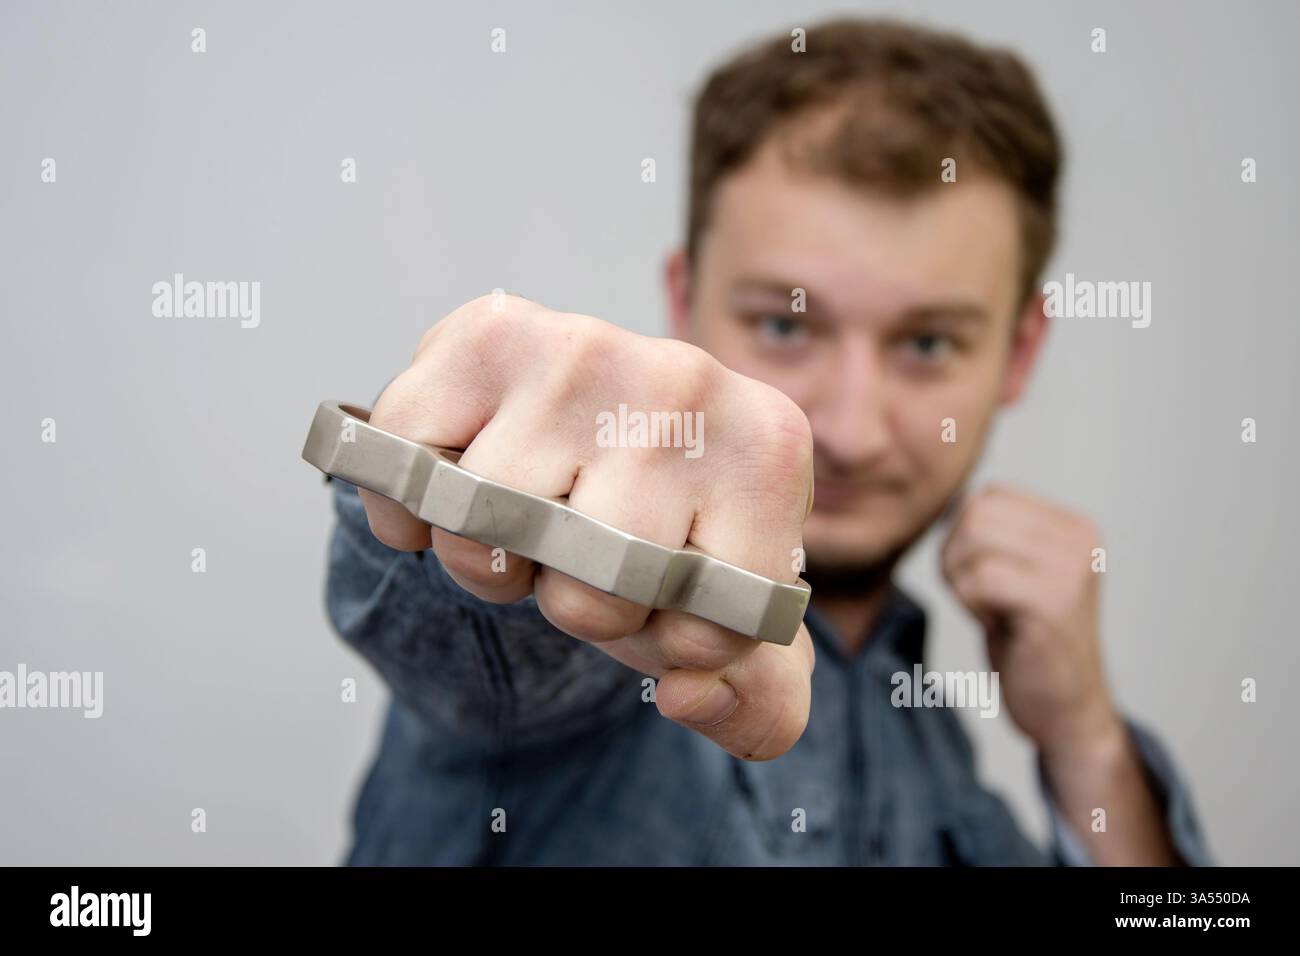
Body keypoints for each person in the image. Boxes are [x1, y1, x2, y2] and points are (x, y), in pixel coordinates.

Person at [322, 17, 1211, 865]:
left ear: (1018, 352)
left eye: (928, 343)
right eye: (786, 327)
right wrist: (482, 491)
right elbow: (475, 633)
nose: (851, 432)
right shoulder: (586, 644)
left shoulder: (941, 739)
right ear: (684, 300)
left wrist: (1087, 744)